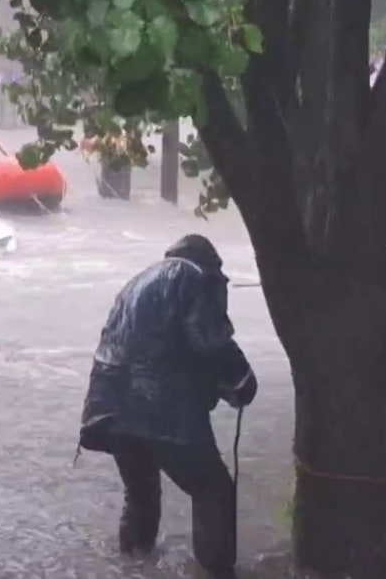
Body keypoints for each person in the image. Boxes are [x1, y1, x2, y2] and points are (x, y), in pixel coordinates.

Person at [78, 234, 257, 579]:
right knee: (213, 488)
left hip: (109, 409)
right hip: (161, 409)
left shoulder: (138, 282)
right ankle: (217, 572)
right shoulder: (194, 277)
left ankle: (131, 566)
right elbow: (209, 341)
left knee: (141, 496)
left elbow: (153, 345)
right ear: (211, 264)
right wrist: (242, 380)